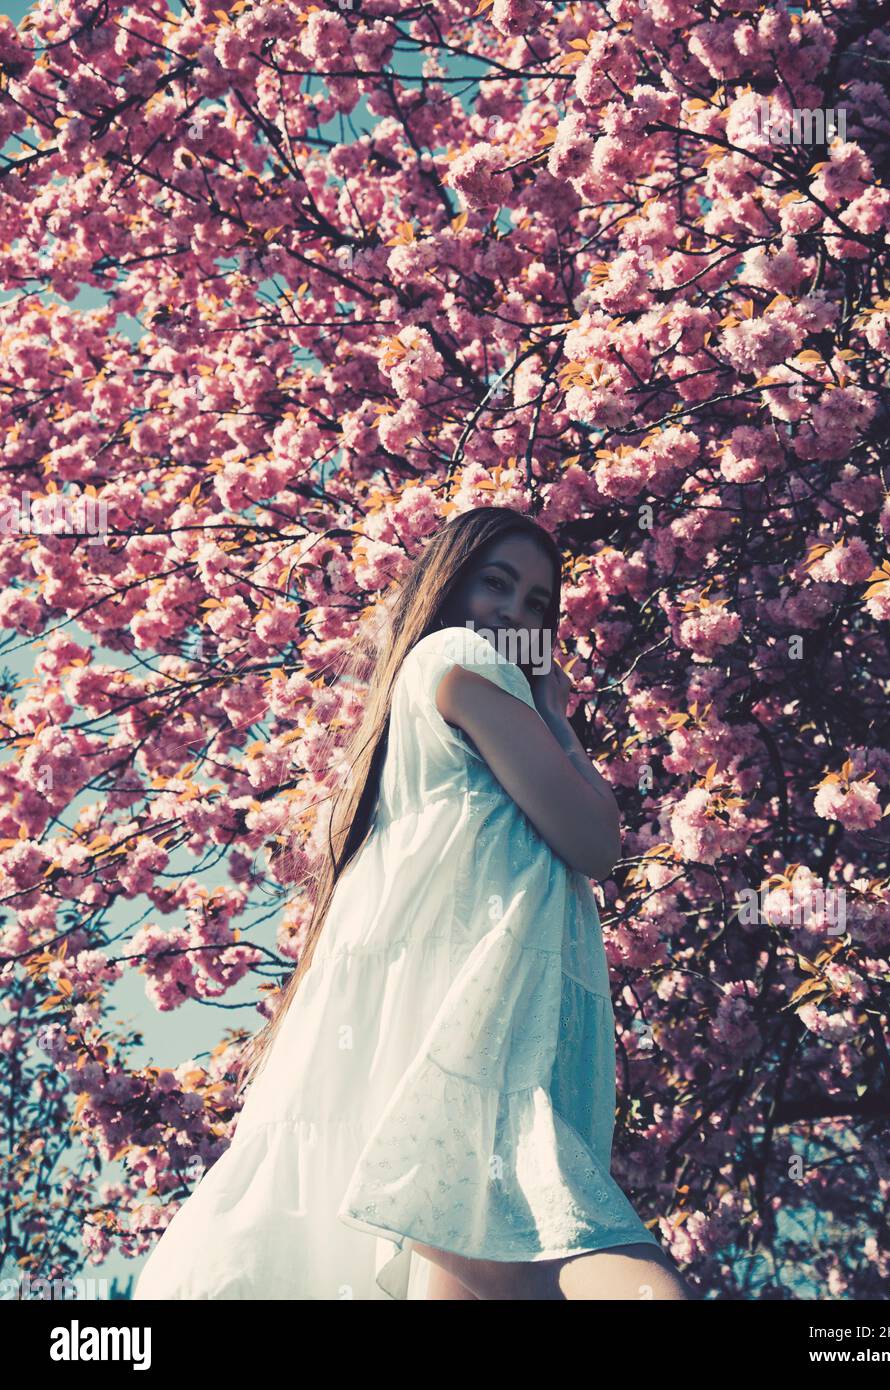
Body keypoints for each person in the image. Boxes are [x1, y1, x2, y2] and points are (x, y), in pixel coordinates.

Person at [133, 505, 694, 1301]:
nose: (514, 612)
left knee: (472, 1260)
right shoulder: (457, 656)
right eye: (494, 584)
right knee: (582, 1236)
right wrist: (559, 721)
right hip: (484, 1034)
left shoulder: (417, 712)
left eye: (538, 602)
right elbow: (596, 839)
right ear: (447, 585)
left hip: (455, 1041)